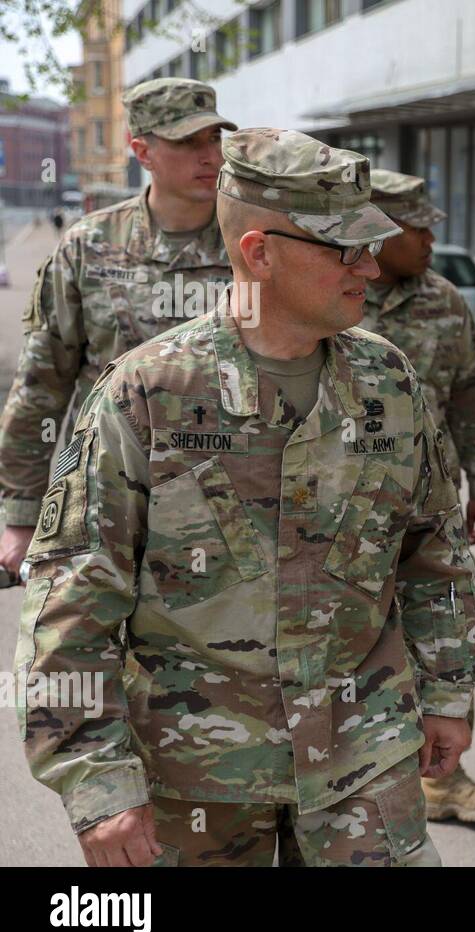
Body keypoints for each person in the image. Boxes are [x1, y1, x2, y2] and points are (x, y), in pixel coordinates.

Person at [14, 128, 475, 867]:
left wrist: (450, 690)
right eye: (344, 248)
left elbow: (436, 552)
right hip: (197, 780)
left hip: (360, 763)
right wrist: (97, 780)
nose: (369, 265)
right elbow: (70, 601)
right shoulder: (147, 396)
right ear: (258, 253)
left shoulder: (388, 381)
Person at [0, 77, 236, 581]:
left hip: (232, 506)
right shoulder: (90, 246)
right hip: (104, 498)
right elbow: (42, 383)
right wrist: (21, 516)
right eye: (188, 142)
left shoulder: (252, 244)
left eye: (215, 139)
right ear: (142, 150)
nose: (209, 156)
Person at [362, 168, 475, 825]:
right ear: (379, 230)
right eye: (417, 227)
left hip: (430, 505)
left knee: (444, 625)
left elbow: (472, 396)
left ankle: (443, 780)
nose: (429, 239)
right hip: (338, 512)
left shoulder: (446, 301)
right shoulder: (335, 294)